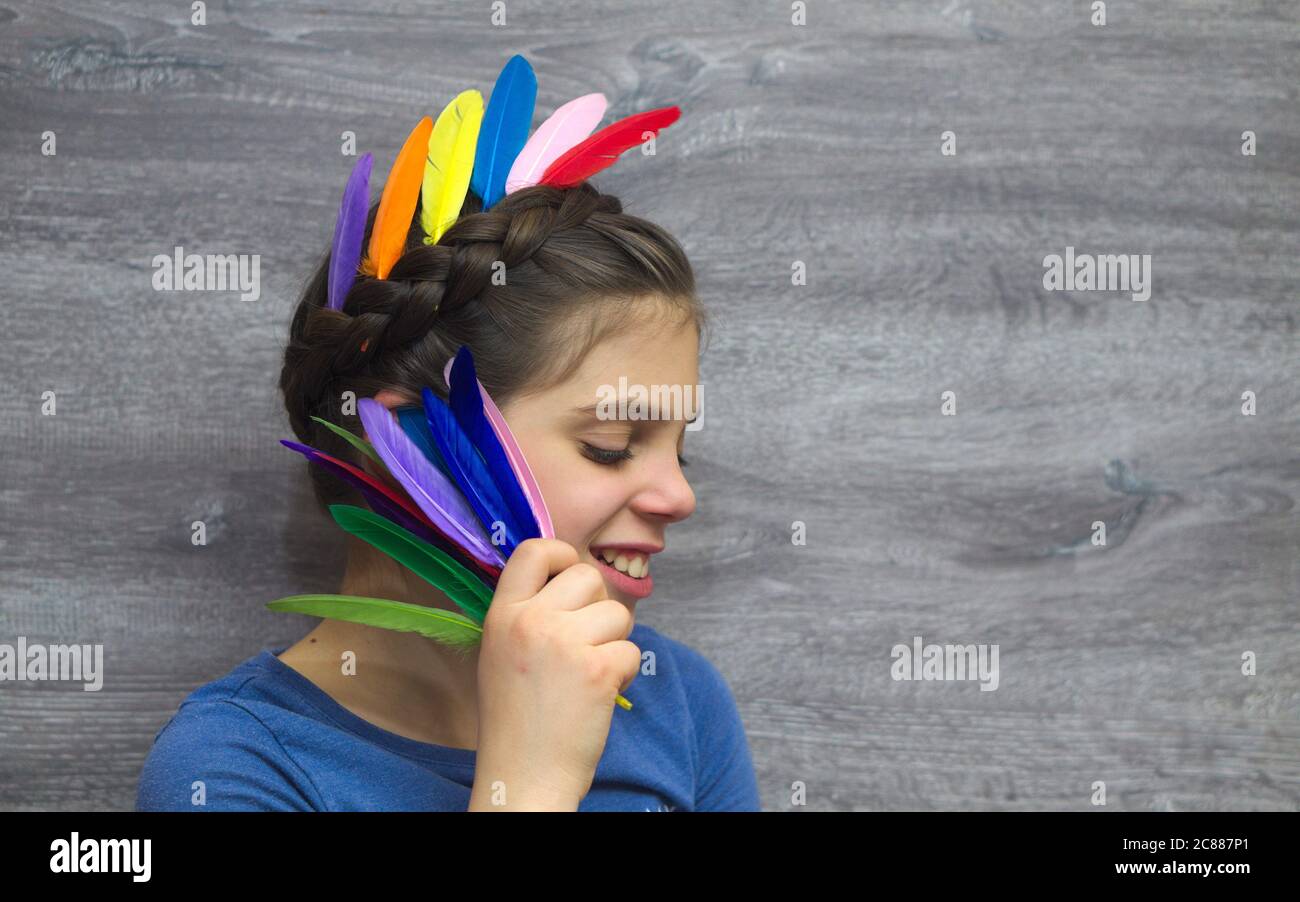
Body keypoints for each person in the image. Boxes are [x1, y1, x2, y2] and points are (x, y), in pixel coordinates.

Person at [134, 177, 760, 811]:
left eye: (677, 451)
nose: (680, 496)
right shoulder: (236, 771)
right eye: (611, 443)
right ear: (410, 447)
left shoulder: (677, 700)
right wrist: (529, 784)